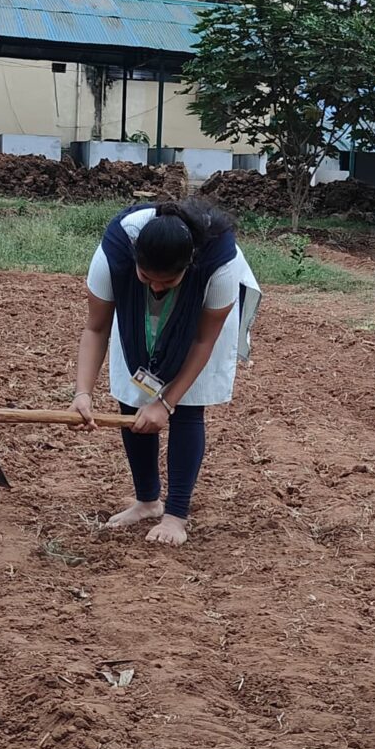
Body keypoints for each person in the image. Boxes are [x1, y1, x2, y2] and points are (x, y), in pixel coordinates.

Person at [71, 197, 261, 547]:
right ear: (135, 264)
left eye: (167, 281)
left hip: (203, 315)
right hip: (137, 307)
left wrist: (167, 403)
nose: (156, 287)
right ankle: (147, 501)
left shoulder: (219, 263)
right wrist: (82, 392)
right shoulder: (113, 254)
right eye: (147, 278)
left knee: (188, 405)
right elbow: (96, 328)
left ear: (188, 267)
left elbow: (204, 341)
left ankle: (176, 515)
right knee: (132, 398)